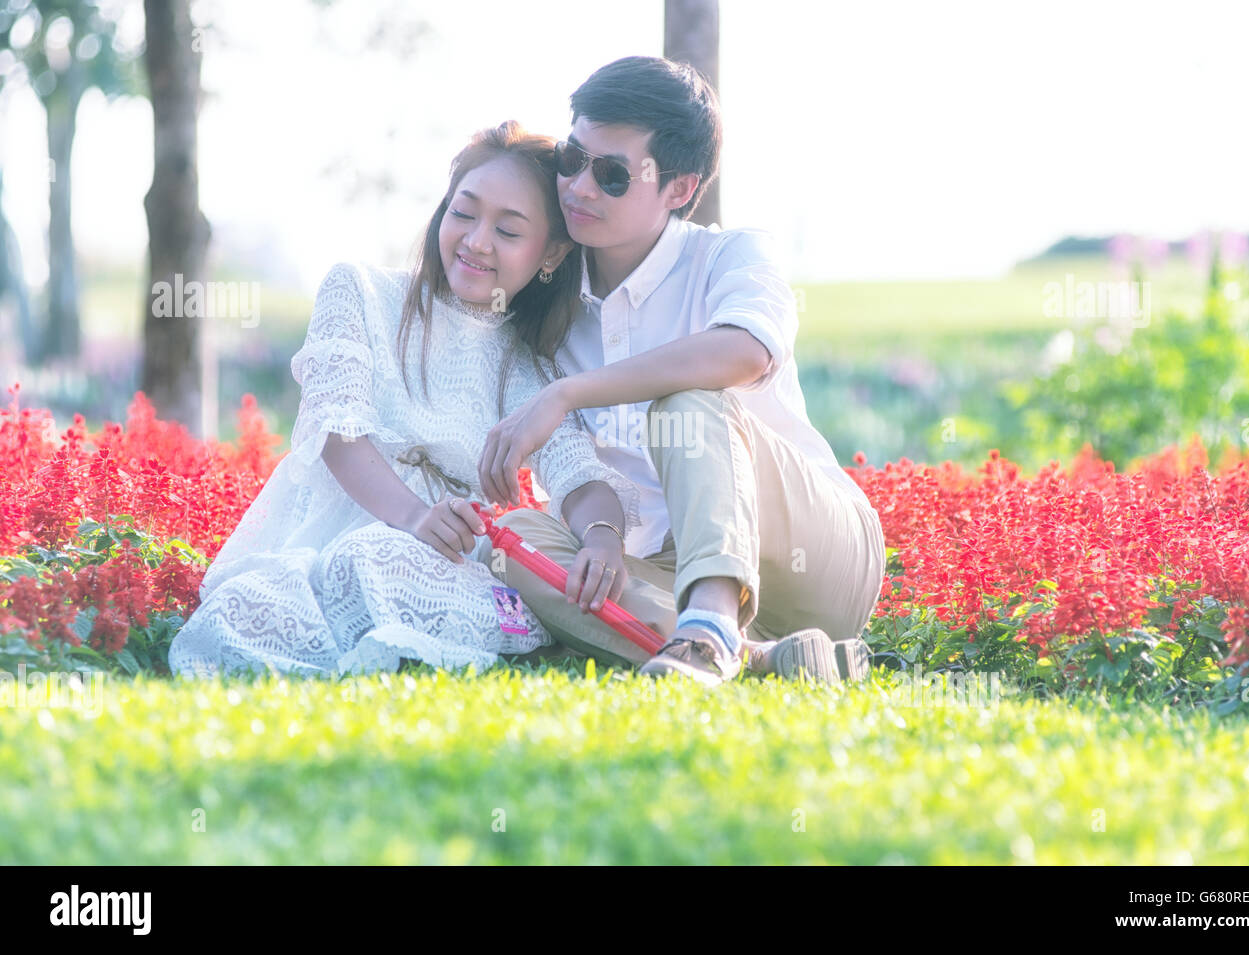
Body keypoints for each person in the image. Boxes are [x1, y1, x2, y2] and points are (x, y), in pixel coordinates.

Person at [168, 121, 638, 678]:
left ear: (552, 253)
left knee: (399, 566)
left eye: (508, 231)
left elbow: (579, 476)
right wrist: (415, 517)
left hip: (449, 556)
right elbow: (338, 431)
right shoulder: (360, 291)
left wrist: (603, 539)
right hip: (347, 530)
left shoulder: (529, 368)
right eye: (463, 213)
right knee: (282, 593)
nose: (476, 241)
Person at [473, 57, 887, 687]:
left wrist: (568, 393)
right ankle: (753, 655)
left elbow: (744, 351)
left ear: (680, 189)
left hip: (812, 556)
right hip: (663, 572)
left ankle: (711, 627)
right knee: (512, 541)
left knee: (687, 403)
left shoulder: (730, 254)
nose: (579, 187)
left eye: (612, 174)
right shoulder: (547, 305)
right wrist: (600, 535)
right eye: (571, 158)